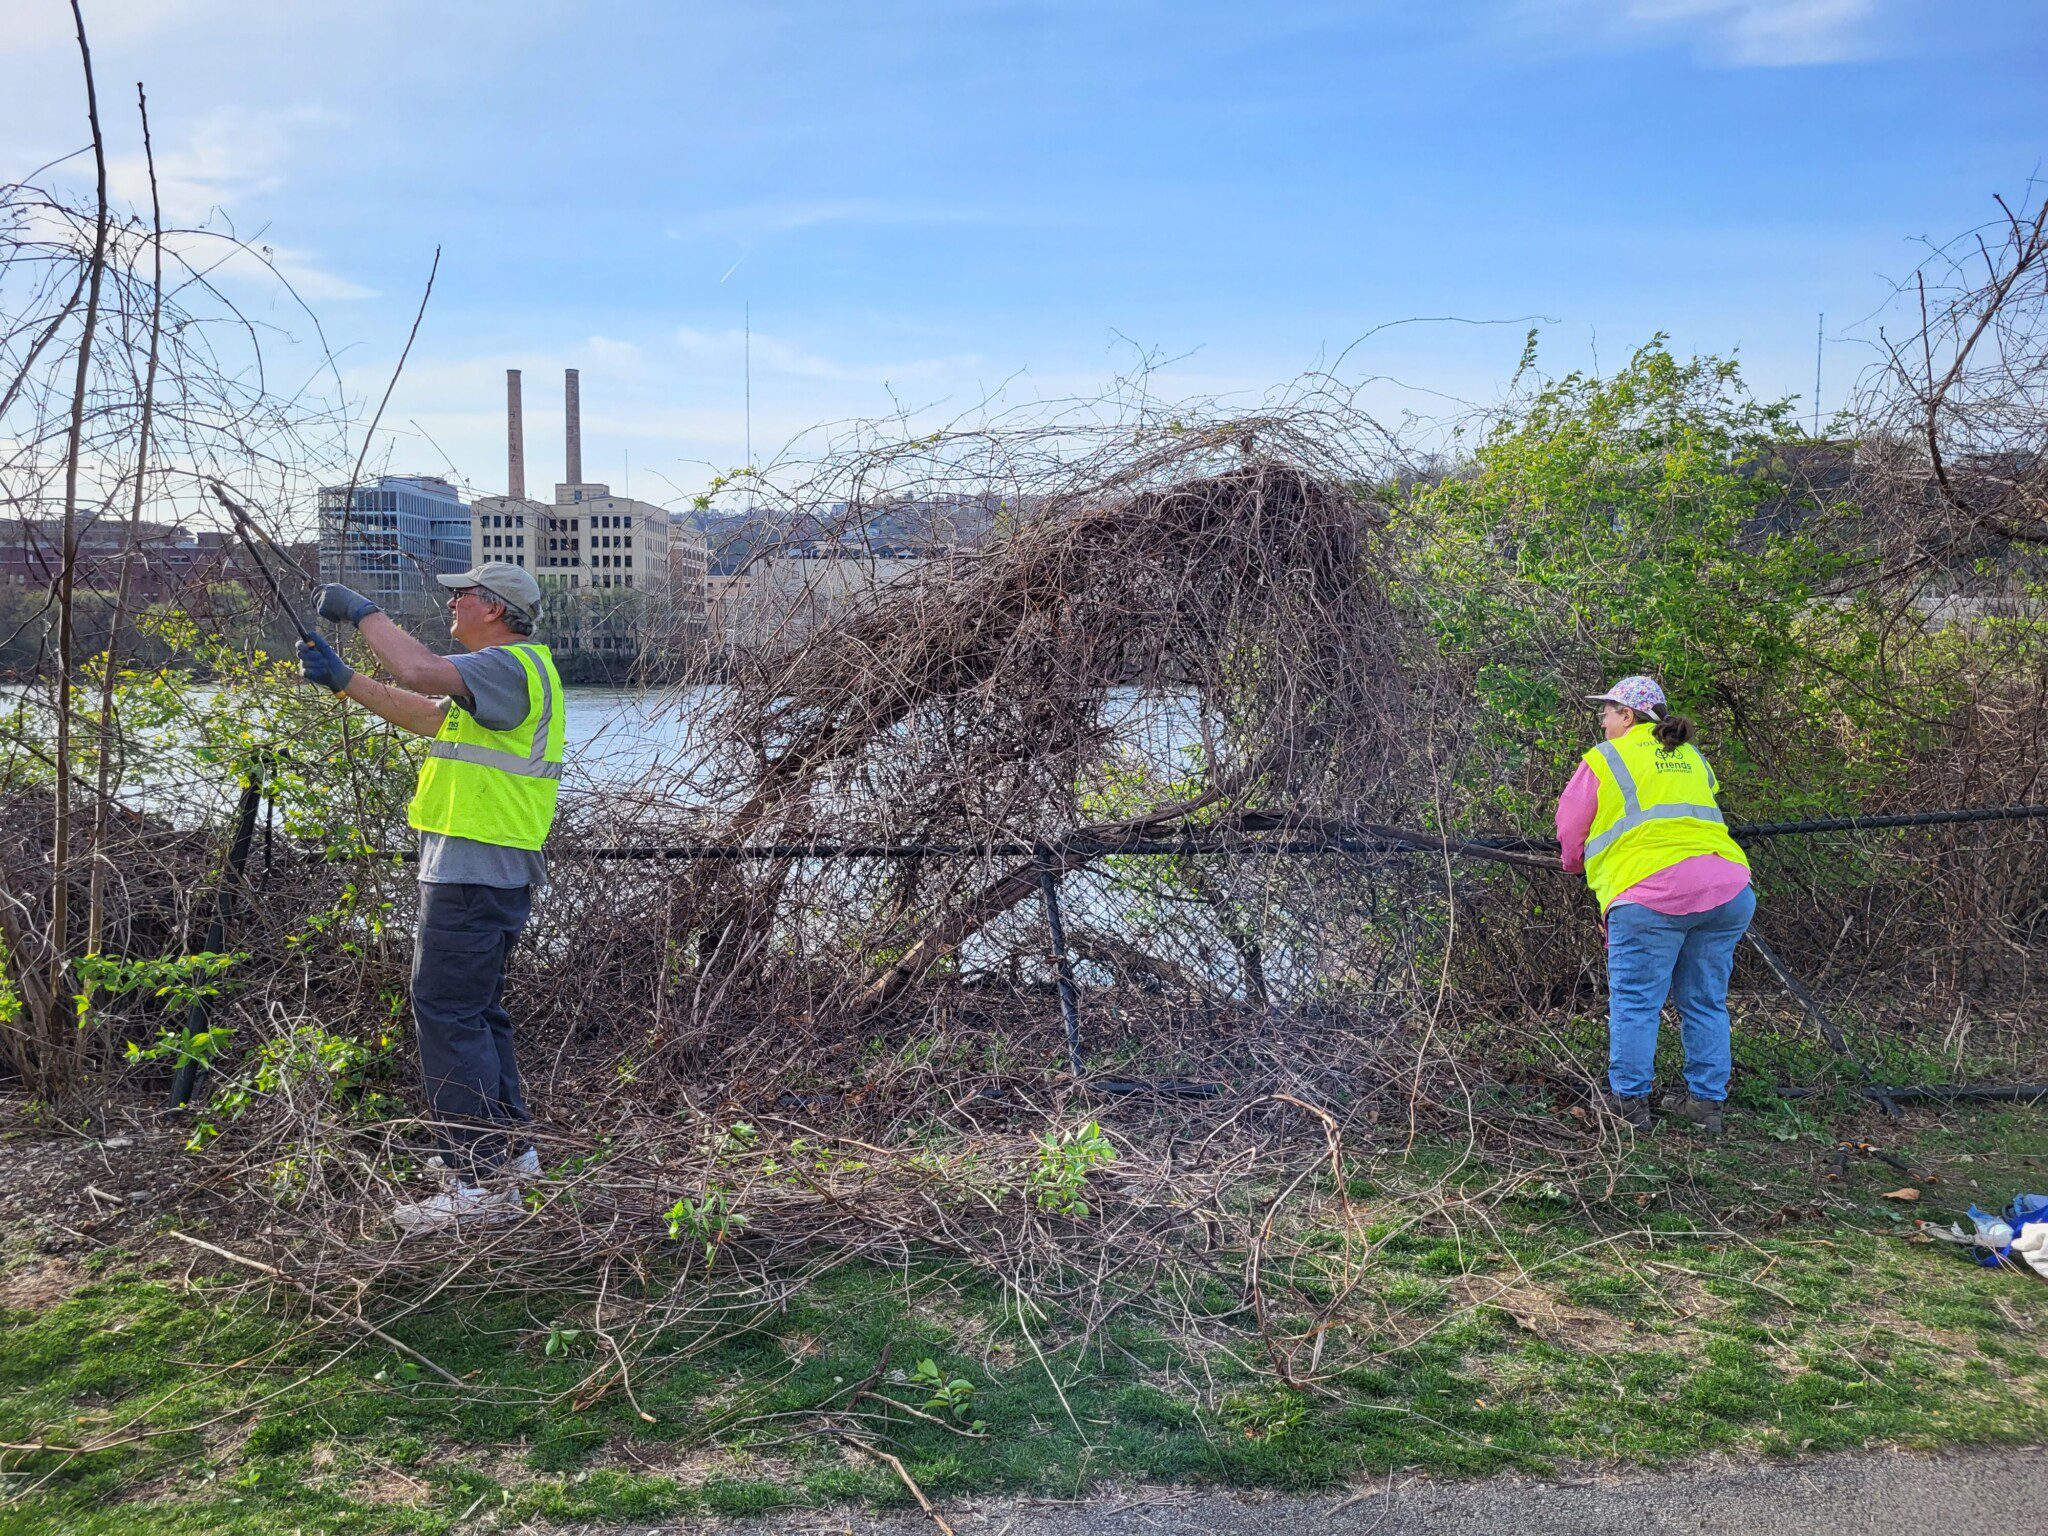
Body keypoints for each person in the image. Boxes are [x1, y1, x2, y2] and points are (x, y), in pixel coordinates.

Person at [297, 561, 565, 1232]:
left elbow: (417, 672)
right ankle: (510, 1155)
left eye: (463, 594)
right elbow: (424, 713)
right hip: (488, 867)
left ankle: (477, 1180)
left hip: (474, 869)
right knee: (476, 1013)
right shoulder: (501, 679)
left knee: (447, 1012)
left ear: (496, 609)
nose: (452, 601)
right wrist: (346, 681)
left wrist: (362, 612)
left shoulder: (511, 667)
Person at [1556, 675, 1754, 1136]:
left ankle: (1628, 1106)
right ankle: (1706, 1106)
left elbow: (1570, 827)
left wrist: (1573, 863)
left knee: (1635, 1004)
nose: (1602, 720)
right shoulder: (1692, 757)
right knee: (1705, 1001)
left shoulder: (1606, 757)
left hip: (1651, 895)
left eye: (1606, 711)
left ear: (1627, 715)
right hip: (1727, 889)